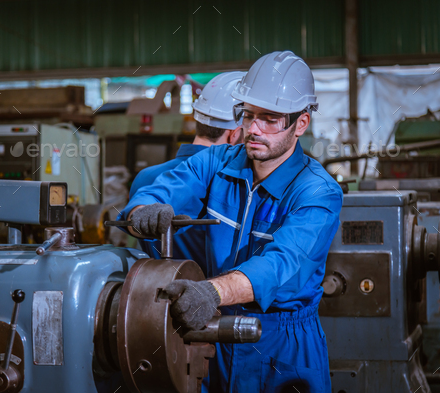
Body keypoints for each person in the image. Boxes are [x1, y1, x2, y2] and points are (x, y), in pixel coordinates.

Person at [119, 51, 342, 392]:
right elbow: (163, 188)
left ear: (301, 123)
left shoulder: (317, 191)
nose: (252, 129)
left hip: (282, 343)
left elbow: (281, 264)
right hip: (216, 336)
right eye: (248, 115)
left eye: (269, 118)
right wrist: (141, 213)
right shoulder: (217, 162)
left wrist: (211, 290)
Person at [128, 71, 245, 273]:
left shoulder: (145, 178)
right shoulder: (230, 186)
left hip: (151, 296)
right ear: (234, 136)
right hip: (214, 298)